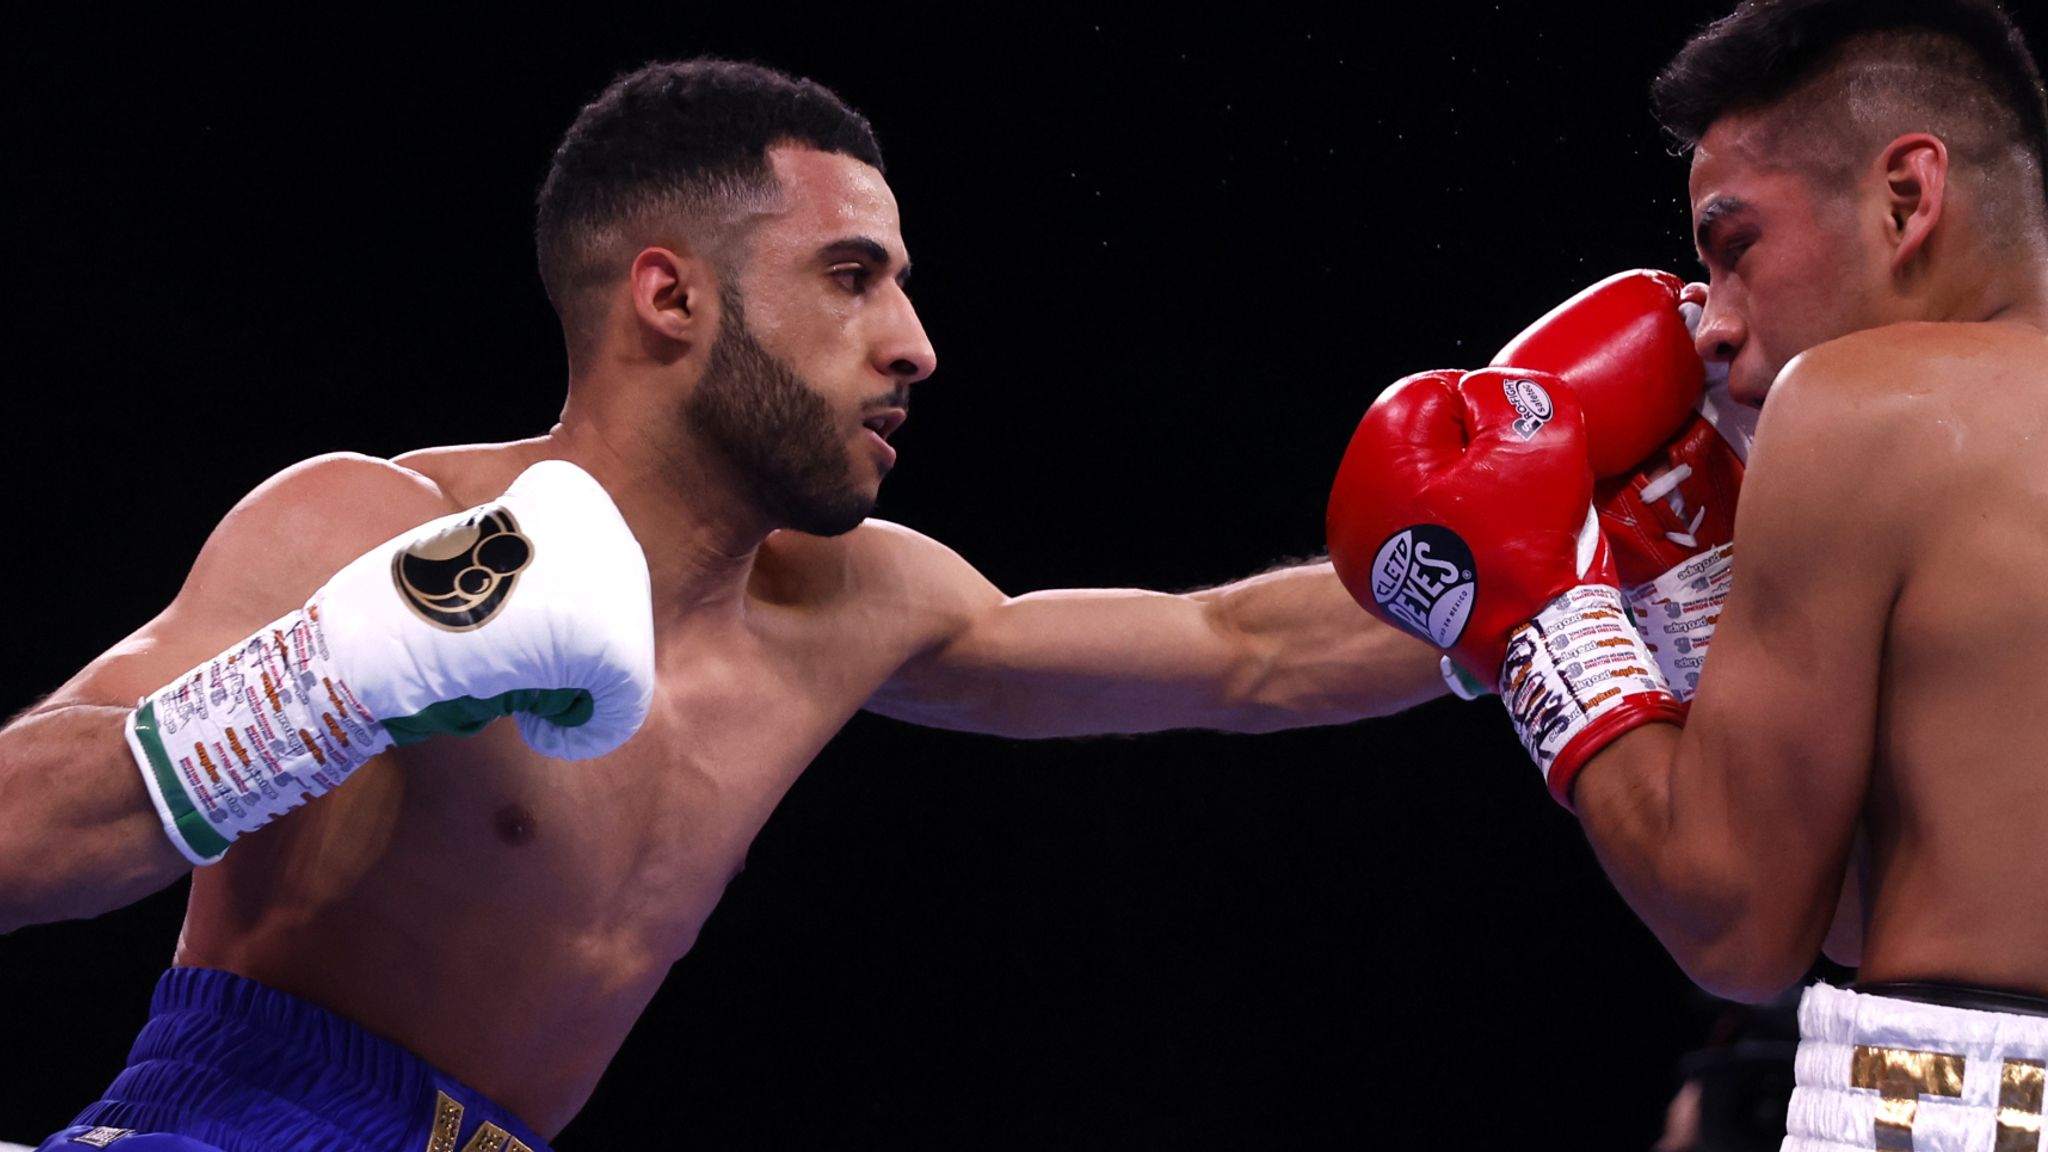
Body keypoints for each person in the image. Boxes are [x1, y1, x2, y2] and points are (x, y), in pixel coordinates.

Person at [0, 59, 1460, 1150]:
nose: (917, 344)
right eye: (851, 278)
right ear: (669, 297)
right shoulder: (384, 529)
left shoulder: (854, 606)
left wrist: (1578, 577)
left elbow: (1241, 651)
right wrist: (345, 667)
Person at [1329, 1, 2048, 1148]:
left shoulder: (1857, 410)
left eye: (1733, 245)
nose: (1708, 324)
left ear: (1905, 197)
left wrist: (1545, 624)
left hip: (1953, 1098)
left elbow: (1734, 924)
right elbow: (1894, 896)